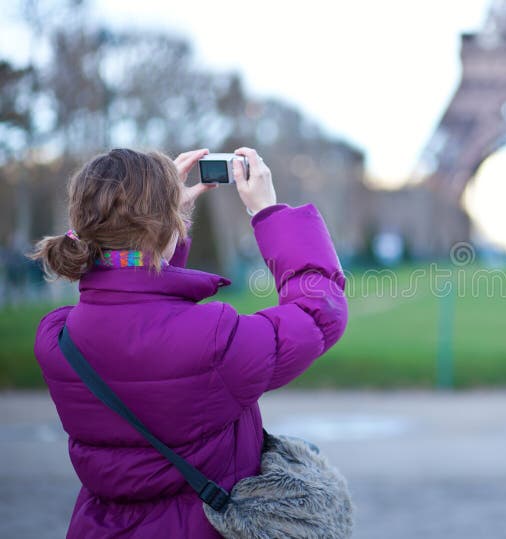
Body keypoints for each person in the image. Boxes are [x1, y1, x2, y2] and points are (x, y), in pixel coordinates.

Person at [30, 147, 348, 538]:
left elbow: (134, 309)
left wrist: (165, 223)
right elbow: (319, 312)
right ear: (162, 227)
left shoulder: (56, 338)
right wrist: (268, 213)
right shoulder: (215, 340)